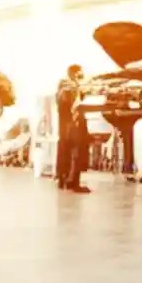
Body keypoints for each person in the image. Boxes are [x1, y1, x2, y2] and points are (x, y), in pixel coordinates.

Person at [55, 65, 91, 193]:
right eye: (79, 74)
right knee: (76, 153)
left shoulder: (64, 86)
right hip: (73, 126)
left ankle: (64, 179)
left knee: (66, 152)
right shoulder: (70, 86)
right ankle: (73, 182)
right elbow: (71, 103)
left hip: (66, 127)